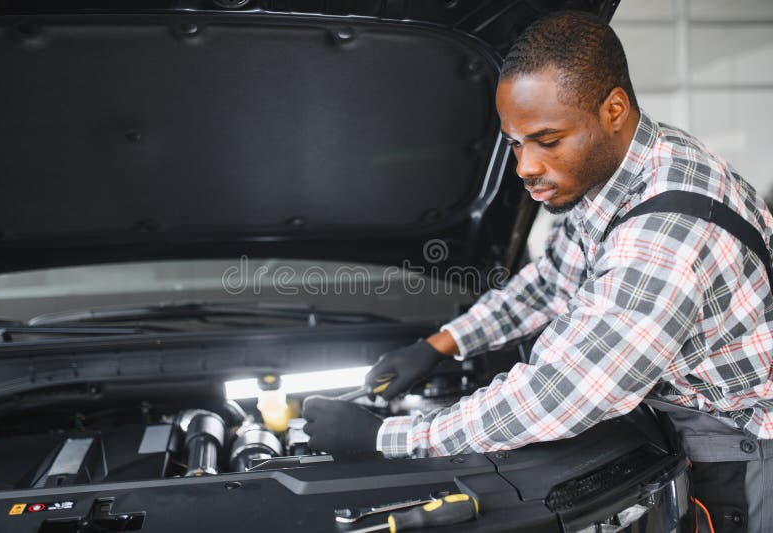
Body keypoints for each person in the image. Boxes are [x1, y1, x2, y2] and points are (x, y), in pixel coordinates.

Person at [303, 10, 773, 531]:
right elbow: (551, 281)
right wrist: (441, 345)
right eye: (514, 142)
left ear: (614, 109)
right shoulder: (624, 171)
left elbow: (565, 390)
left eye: (547, 140)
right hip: (677, 427)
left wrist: (385, 439)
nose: (525, 167)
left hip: (744, 451)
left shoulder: (666, 231)